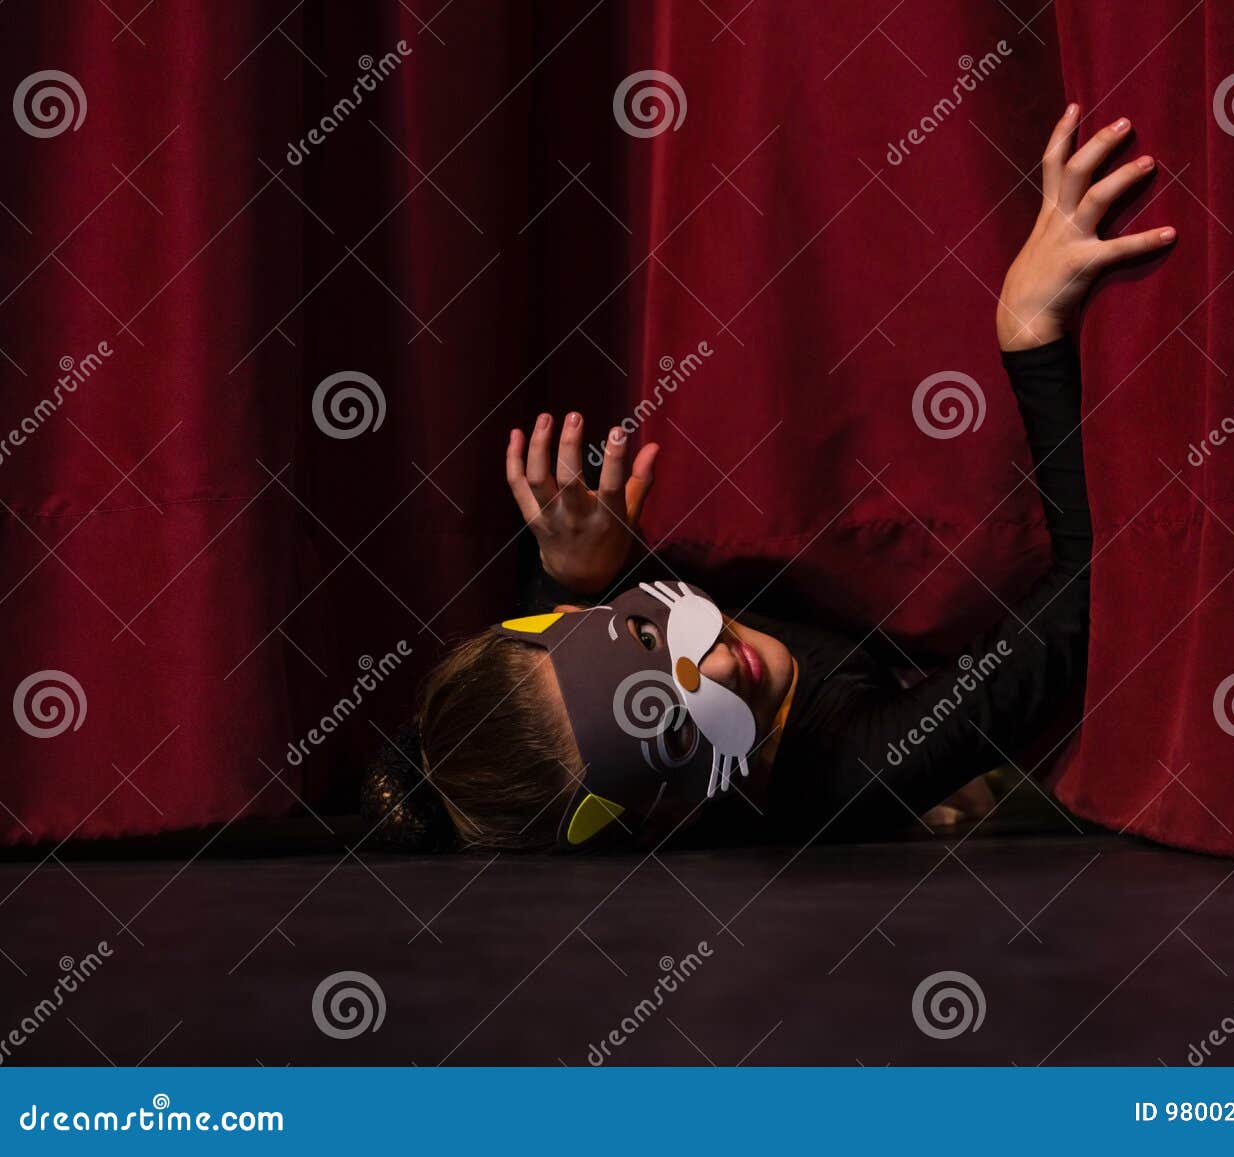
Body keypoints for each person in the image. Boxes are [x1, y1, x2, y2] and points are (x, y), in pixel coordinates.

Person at [363, 106, 1177, 852]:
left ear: (576, 613)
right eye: (674, 734)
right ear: (661, 818)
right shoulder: (855, 770)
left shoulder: (582, 610)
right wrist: (1030, 334)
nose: (719, 667)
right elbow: (1094, 587)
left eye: (644, 640)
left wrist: (590, 568)